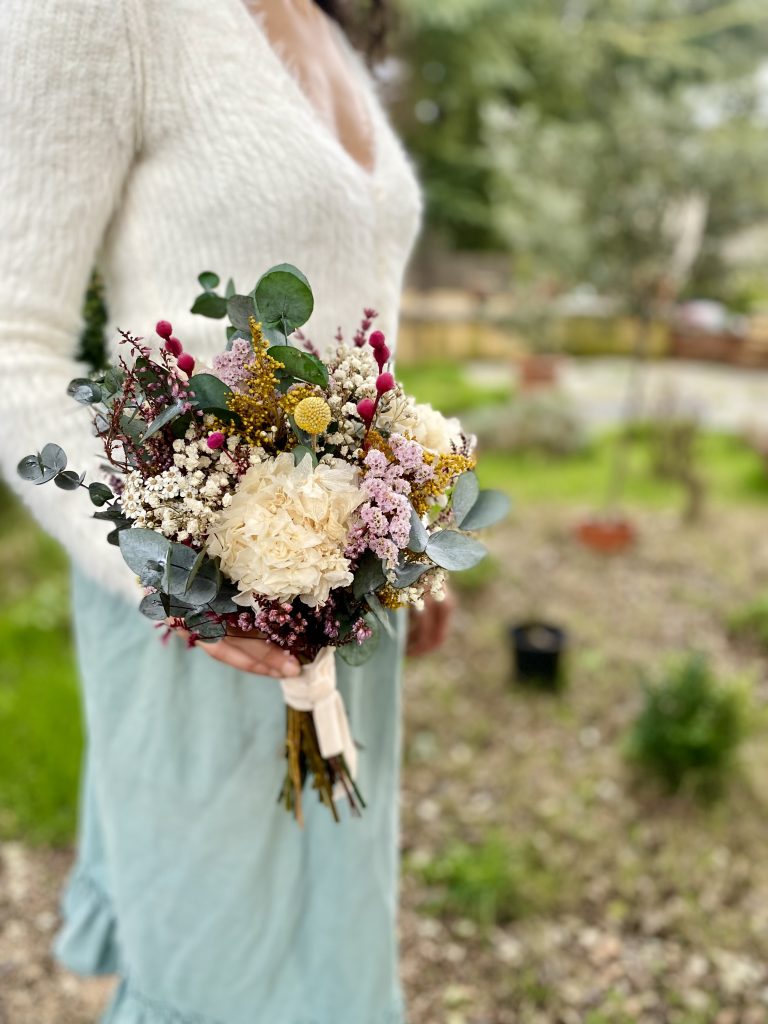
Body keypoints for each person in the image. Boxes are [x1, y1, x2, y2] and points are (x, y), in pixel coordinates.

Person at [0, 1, 454, 1021]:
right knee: (215, 975)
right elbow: (10, 347)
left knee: (329, 943)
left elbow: (358, 332)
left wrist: (407, 540)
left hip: (346, 603)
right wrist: (184, 580)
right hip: (199, 624)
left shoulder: (328, 25)